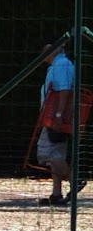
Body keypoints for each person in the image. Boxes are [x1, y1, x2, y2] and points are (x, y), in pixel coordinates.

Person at [35, 38, 81, 206]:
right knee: (57, 154)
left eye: (47, 50)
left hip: (56, 117)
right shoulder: (59, 65)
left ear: (55, 50)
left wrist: (59, 115)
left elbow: (64, 91)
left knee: (45, 152)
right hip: (55, 116)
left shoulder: (61, 65)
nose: (44, 54)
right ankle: (56, 195)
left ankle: (75, 180)